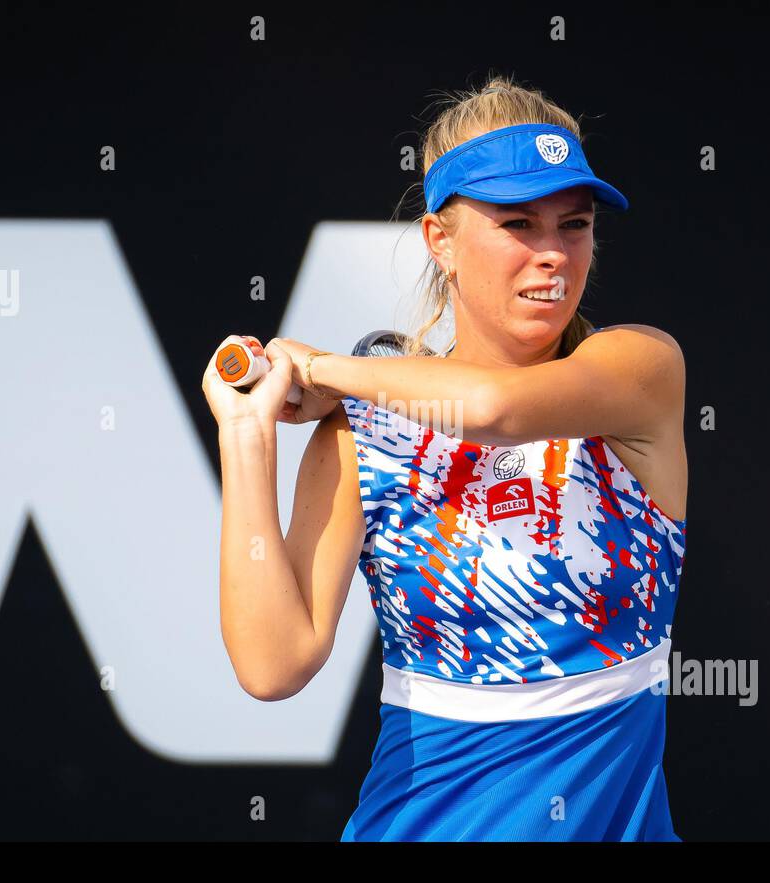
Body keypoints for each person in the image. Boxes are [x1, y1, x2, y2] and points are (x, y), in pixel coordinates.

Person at [202, 76, 687, 840]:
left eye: (575, 224)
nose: (554, 254)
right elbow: (273, 664)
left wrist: (323, 368)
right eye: (519, 223)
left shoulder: (637, 372)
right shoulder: (361, 432)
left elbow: (493, 410)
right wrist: (248, 430)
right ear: (440, 239)